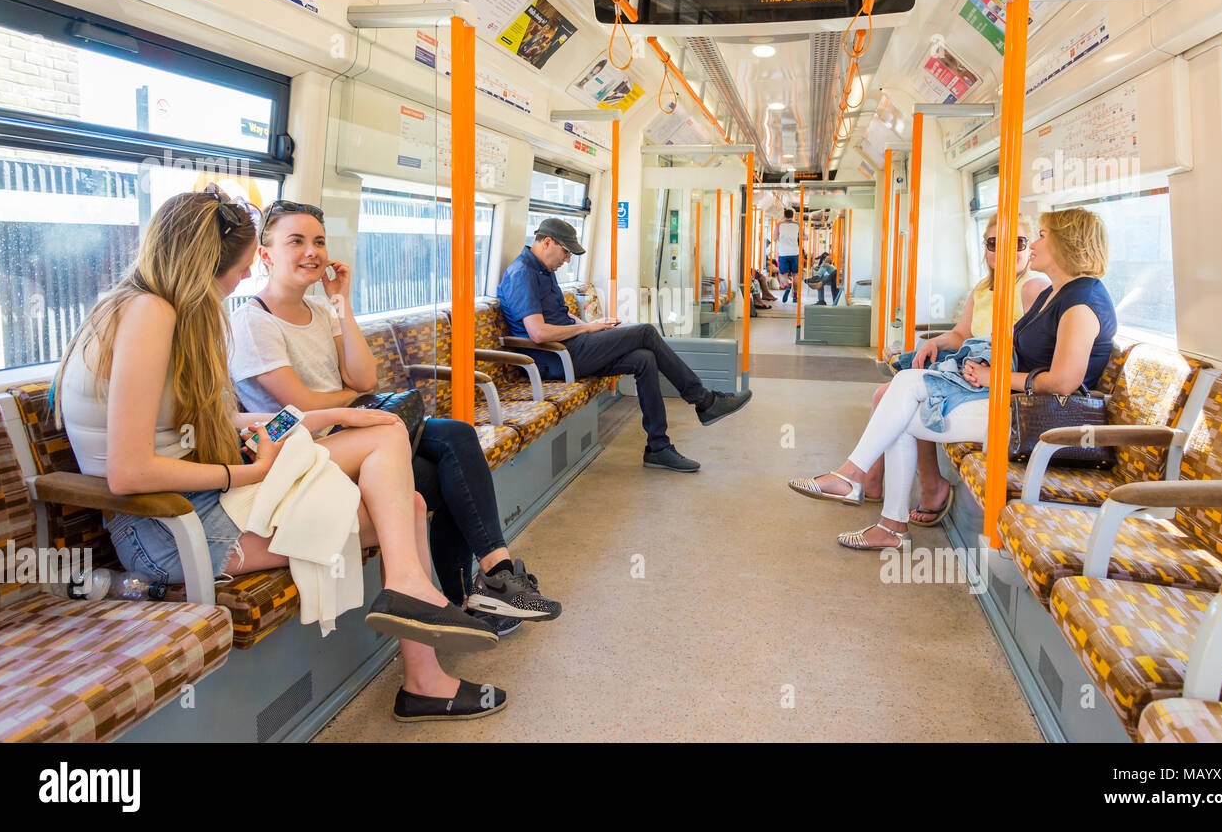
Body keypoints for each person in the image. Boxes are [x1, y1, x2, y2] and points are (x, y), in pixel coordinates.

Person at [53, 191, 506, 723]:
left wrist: (314, 420)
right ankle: (418, 637)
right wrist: (250, 470)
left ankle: (419, 654)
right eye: (240, 271)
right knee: (394, 471)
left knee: (396, 478)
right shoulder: (149, 312)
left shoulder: (159, 311)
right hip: (165, 529)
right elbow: (130, 471)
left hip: (200, 501)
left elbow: (210, 426)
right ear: (206, 264)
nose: (241, 283)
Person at [228, 199, 560, 637]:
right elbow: (305, 406)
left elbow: (366, 376)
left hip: (353, 434)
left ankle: (488, 581)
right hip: (306, 458)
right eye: (297, 241)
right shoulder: (253, 322)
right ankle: (476, 594)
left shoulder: (323, 311)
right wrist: (350, 395)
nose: (312, 251)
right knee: (446, 472)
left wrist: (341, 303)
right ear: (265, 254)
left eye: (319, 241)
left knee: (457, 439)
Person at [788, 208, 1115, 549]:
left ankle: (856, 483)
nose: (1034, 243)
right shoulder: (1058, 295)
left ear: (1068, 243)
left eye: (1042, 236)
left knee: (905, 396)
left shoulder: (1082, 301)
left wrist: (993, 376)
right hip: (1018, 403)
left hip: (1040, 419)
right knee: (903, 406)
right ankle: (885, 520)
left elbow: (1063, 383)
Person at [803, 214, 1048, 524]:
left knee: (902, 395)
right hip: (970, 370)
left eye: (1017, 243)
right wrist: (935, 343)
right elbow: (962, 334)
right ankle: (884, 483)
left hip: (990, 381)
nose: (1004, 251)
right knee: (890, 394)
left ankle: (894, 483)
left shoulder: (1034, 287)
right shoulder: (984, 289)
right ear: (985, 249)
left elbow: (1028, 348)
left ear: (1030, 249)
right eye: (993, 243)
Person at [498, 217, 752, 473]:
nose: (567, 260)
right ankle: (704, 401)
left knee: (644, 359)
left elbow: (558, 316)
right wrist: (587, 328)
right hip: (556, 359)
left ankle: (658, 448)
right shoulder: (522, 274)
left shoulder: (544, 270)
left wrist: (593, 323)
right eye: (566, 252)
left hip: (573, 348)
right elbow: (538, 332)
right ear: (547, 242)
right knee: (646, 332)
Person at [776, 209, 801, 304]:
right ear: (793, 215)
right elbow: (804, 237)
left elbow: (774, 238)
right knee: (795, 275)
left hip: (783, 253)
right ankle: (795, 296)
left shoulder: (779, 224)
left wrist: (781, 238)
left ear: (784, 215)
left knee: (783, 274)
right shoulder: (797, 225)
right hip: (795, 253)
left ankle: (786, 287)